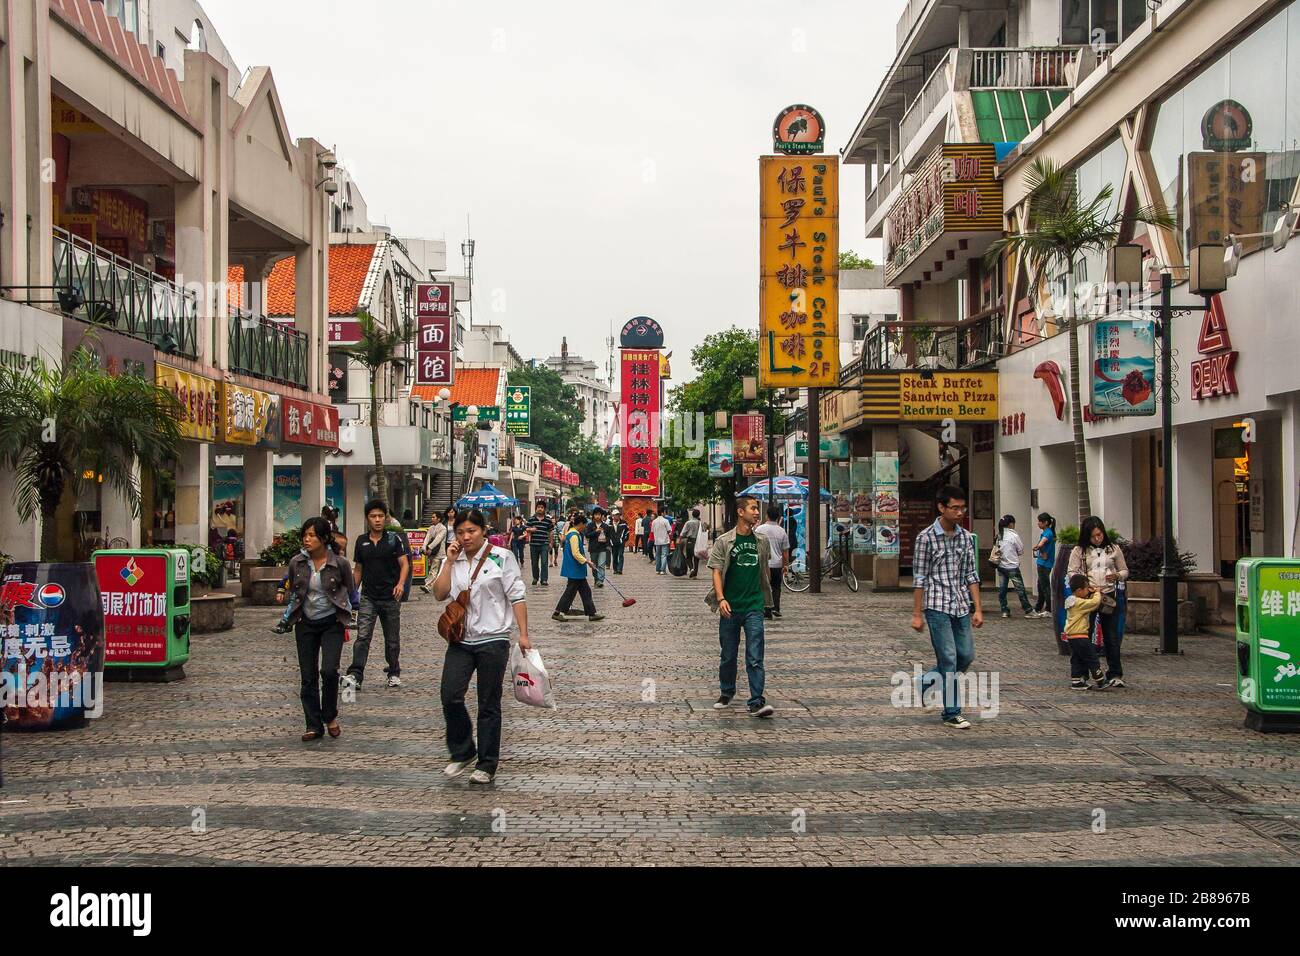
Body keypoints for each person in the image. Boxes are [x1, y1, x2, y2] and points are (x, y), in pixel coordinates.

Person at [430, 508, 532, 785]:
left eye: (471, 531)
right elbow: (439, 594)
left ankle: (487, 763)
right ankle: (463, 750)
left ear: (484, 530)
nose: (465, 537)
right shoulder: (455, 558)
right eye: (460, 532)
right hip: (461, 639)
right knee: (450, 694)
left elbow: (517, 596)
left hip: (493, 639)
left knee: (488, 703)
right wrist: (449, 563)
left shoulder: (502, 557)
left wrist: (523, 634)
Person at [277, 517, 360, 742]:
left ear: (324, 538)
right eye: (305, 535)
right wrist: (287, 610)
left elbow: (350, 591)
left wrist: (353, 615)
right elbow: (294, 590)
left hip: (331, 621)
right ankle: (313, 724)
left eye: (312, 535)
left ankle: (330, 715)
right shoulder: (297, 563)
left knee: (329, 671)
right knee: (308, 675)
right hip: (305, 622)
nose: (307, 539)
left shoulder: (339, 563)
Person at [910, 485, 984, 730]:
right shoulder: (926, 538)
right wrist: (916, 614)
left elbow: (971, 575)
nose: (960, 512)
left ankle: (925, 683)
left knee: (966, 655)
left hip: (961, 604)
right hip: (937, 605)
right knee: (949, 658)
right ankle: (952, 712)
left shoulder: (965, 537)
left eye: (963, 508)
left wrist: (978, 609)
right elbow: (919, 578)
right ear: (941, 508)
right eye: (955, 508)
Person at [705, 495, 775, 717]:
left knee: (755, 655)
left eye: (757, 509)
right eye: (753, 508)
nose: (757, 512)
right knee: (728, 654)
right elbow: (716, 571)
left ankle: (756, 701)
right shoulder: (724, 541)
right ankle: (727, 691)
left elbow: (764, 570)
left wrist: (766, 599)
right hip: (730, 607)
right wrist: (721, 598)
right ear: (740, 512)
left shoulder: (762, 541)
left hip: (754, 604)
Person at [342, 500, 410, 692]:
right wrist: (351, 592)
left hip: (390, 597)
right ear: (367, 519)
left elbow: (404, 564)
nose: (377, 520)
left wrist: (400, 584)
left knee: (392, 638)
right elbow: (358, 569)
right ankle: (356, 674)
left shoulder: (393, 539)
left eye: (380, 516)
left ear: (385, 518)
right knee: (363, 636)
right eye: (373, 516)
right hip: (368, 597)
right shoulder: (361, 541)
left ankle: (394, 672)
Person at [1067, 515, 1130, 689]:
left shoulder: (1113, 549)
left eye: (1100, 534)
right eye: (1094, 536)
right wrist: (1085, 585)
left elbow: (1124, 570)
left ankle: (1115, 673)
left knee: (1111, 636)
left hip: (1108, 596)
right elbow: (1071, 572)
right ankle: (1081, 674)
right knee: (1084, 635)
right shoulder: (1079, 551)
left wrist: (1117, 575)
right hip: (1088, 597)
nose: (1097, 538)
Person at [553, 512, 604, 622]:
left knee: (585, 591)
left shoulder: (572, 534)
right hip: (574, 569)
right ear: (580, 524)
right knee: (570, 592)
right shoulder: (574, 536)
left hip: (576, 569)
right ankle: (558, 612)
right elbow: (576, 553)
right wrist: (587, 562)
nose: (585, 527)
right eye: (584, 525)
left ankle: (591, 613)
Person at [1063, 573, 1107, 690]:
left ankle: (1076, 680)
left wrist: (1089, 593)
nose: (1088, 590)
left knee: (1076, 658)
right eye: (1086, 588)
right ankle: (1100, 680)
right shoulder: (1079, 603)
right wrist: (1097, 592)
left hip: (1071, 637)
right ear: (1079, 590)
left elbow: (1086, 601)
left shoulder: (1071, 600)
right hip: (1080, 636)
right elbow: (1094, 603)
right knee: (1091, 657)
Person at [754, 505, 790, 620]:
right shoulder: (782, 531)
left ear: (767, 516)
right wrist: (785, 565)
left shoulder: (759, 529)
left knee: (763, 586)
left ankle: (766, 609)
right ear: (777, 517)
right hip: (777, 564)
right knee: (776, 586)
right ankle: (776, 607)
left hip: (763, 564)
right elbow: (785, 551)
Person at [994, 515, 1034, 619]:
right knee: (1020, 589)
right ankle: (1028, 609)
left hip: (1001, 566)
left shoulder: (999, 535)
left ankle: (1004, 610)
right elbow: (1020, 550)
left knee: (1002, 590)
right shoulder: (1013, 536)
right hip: (1012, 566)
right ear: (1011, 524)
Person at [1032, 512, 1057, 618]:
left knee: (1045, 586)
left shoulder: (1048, 533)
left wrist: (1040, 550)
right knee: (1041, 585)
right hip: (1044, 563)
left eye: (1040, 522)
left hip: (1044, 563)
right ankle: (1039, 606)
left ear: (1045, 523)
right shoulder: (1048, 532)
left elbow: (1041, 544)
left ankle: (1048, 608)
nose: (1038, 523)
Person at [418, 511, 449, 595]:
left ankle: (429, 586)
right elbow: (427, 538)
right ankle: (428, 585)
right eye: (431, 517)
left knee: (437, 570)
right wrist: (424, 547)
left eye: (433, 517)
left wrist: (428, 547)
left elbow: (437, 540)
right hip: (432, 552)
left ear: (438, 519)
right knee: (434, 570)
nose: (432, 519)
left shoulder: (443, 528)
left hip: (440, 553)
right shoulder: (431, 528)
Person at [525, 502, 554, 587]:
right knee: (534, 562)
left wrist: (551, 543)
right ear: (536, 508)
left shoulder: (548, 520)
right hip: (534, 544)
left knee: (544, 562)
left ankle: (544, 579)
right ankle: (535, 578)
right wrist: (531, 529)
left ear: (544, 509)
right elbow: (526, 528)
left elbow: (551, 532)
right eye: (538, 507)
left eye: (542, 507)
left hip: (544, 544)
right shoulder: (531, 519)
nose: (540, 509)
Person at [586, 507, 612, 587]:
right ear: (593, 516)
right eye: (596, 514)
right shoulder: (590, 525)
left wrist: (607, 545)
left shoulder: (605, 526)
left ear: (602, 516)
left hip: (602, 548)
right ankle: (596, 579)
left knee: (601, 564)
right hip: (593, 548)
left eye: (599, 515)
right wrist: (595, 531)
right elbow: (587, 535)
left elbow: (608, 536)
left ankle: (600, 580)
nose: (597, 516)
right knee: (594, 565)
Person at [679, 509, 702, 577]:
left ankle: (691, 569)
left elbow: (682, 533)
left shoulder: (688, 523)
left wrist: (680, 539)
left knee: (688, 557)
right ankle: (695, 572)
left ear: (692, 514)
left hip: (690, 541)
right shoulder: (700, 523)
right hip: (698, 541)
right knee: (696, 557)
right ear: (699, 515)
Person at [651, 509, 673, 574]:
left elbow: (652, 531)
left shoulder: (654, 521)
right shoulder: (665, 521)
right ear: (662, 513)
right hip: (664, 540)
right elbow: (669, 530)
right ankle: (663, 570)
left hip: (657, 540)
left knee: (657, 555)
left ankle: (657, 570)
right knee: (664, 555)